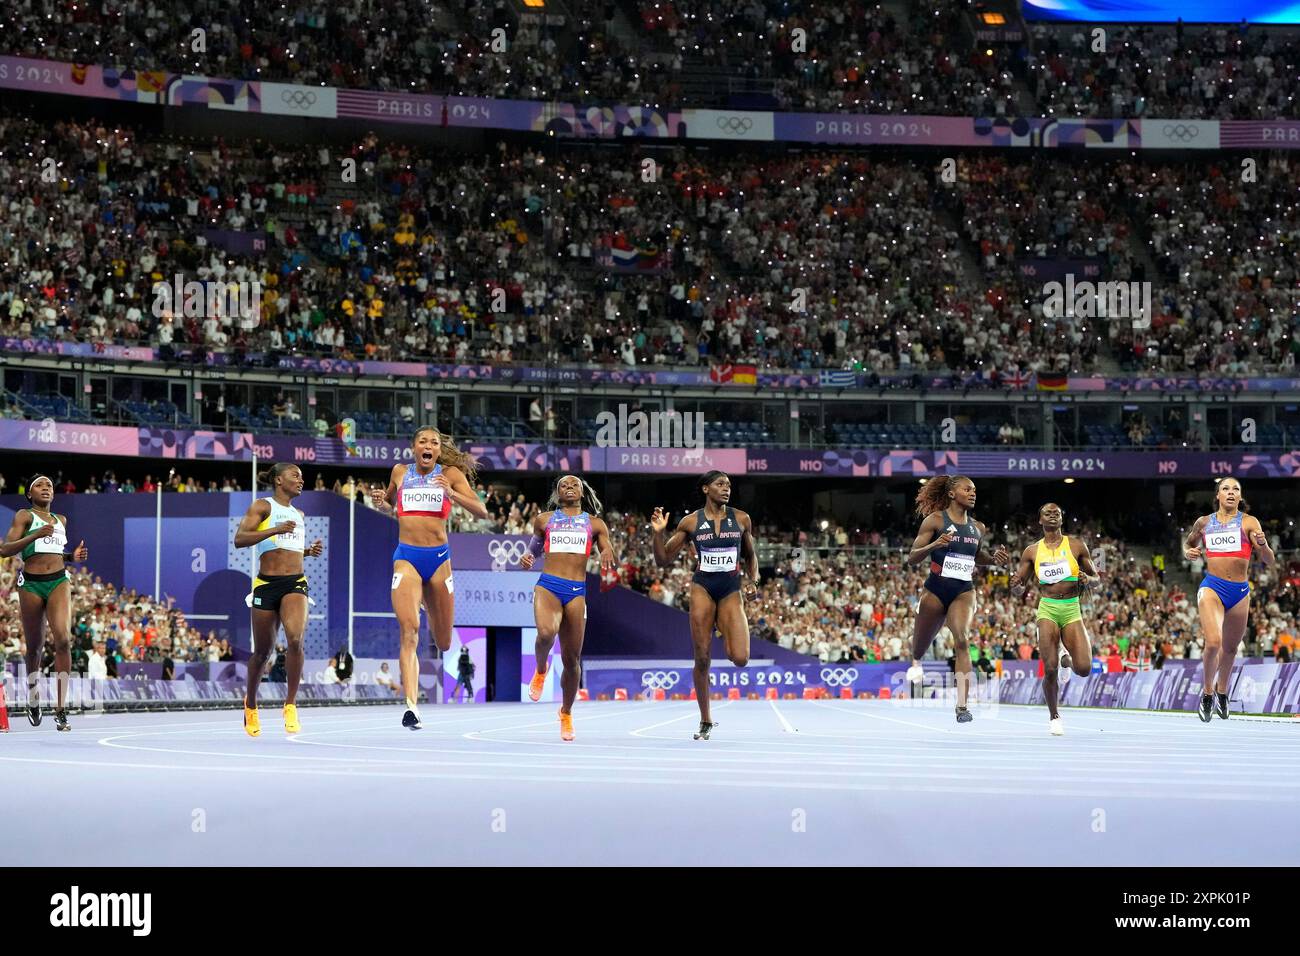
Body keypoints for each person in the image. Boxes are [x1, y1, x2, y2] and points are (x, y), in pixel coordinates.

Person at [371, 428, 490, 729]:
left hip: (438, 561)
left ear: (438, 450)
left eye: (434, 443)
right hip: (407, 558)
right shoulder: (399, 471)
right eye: (422, 441)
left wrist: (453, 494)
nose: (428, 446)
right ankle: (411, 707)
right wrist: (380, 501)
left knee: (445, 641)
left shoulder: (449, 474)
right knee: (409, 631)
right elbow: (389, 504)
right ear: (413, 447)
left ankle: (427, 597)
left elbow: (482, 510)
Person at [650, 471, 758, 740]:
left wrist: (754, 581)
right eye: (720, 484)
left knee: (741, 658)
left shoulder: (742, 519)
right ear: (706, 488)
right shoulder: (690, 522)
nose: (726, 489)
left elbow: (751, 556)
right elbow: (662, 560)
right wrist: (657, 535)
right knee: (702, 657)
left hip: (731, 589)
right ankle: (706, 719)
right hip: (703, 588)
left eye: (729, 485)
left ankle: (722, 626)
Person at [903, 476, 1009, 723]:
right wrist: (935, 545)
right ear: (952, 494)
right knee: (919, 646)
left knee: (962, 638)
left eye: (975, 490)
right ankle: (917, 649)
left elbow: (976, 554)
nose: (973, 493)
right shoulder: (936, 520)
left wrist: (993, 559)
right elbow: (912, 557)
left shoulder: (978, 527)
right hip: (935, 590)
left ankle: (962, 706)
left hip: (963, 590)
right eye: (967, 489)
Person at [521, 474, 615, 740]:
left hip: (576, 592)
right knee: (546, 634)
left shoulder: (596, 524)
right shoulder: (544, 520)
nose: (570, 487)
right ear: (557, 493)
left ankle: (566, 712)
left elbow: (605, 545)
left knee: (572, 661)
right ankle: (541, 671)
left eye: (575, 484)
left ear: (583, 492)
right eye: (564, 484)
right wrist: (528, 557)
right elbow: (534, 549)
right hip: (548, 585)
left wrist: (606, 550)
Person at [233, 463, 324, 737]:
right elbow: (240, 539)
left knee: (295, 639)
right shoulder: (263, 506)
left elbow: (288, 550)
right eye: (295, 475)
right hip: (265, 584)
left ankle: (291, 704)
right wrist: (274, 529)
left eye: (301, 476)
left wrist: (307, 552)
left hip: (295, 582)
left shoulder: (300, 514)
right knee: (263, 652)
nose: (301, 479)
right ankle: (251, 703)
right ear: (278, 480)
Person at [0, 475, 90, 731]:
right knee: (34, 648)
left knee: (63, 639)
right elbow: (5, 549)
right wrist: (35, 533)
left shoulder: (61, 520)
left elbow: (52, 552)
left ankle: (60, 709)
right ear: (30, 494)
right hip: (30, 583)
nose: (46, 488)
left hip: (58, 580)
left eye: (49, 485)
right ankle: (32, 695)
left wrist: (71, 556)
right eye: (40, 485)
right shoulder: (24, 516)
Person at [1183, 478, 1274, 721]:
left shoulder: (1248, 522)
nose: (1231, 493)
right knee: (1213, 642)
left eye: (1236, 489)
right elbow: (1189, 543)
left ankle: (1222, 692)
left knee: (1231, 648)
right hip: (1212, 587)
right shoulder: (1204, 523)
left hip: (1240, 592)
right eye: (1226, 489)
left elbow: (1269, 560)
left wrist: (1264, 546)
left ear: (1240, 497)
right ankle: (1207, 694)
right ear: (1218, 496)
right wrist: (1188, 551)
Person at [1008, 503, 1101, 736]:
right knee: (1048, 669)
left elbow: (1096, 578)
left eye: (1057, 512)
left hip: (1071, 608)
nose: (1052, 514)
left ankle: (1065, 661)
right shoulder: (1031, 551)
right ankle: (1054, 716)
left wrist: (1088, 579)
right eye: (1047, 512)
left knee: (1084, 667)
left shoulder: (1077, 545)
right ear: (1040, 520)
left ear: (1061, 518)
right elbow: (1020, 589)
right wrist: (1015, 586)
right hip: (1047, 608)